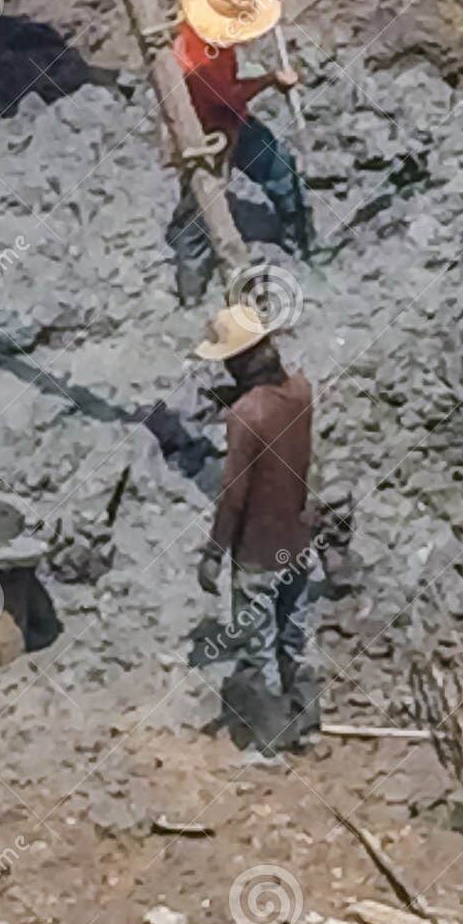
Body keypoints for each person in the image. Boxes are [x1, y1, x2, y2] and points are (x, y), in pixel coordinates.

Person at [194, 303, 319, 757]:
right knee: (294, 635)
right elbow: (274, 411)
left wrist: (214, 552)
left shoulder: (244, 418)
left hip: (258, 552)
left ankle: (270, 743)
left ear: (238, 362)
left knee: (258, 645)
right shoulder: (302, 391)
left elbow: (233, 495)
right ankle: (305, 722)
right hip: (298, 542)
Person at [169, 0, 311, 303]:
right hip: (206, 128)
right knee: (201, 206)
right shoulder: (203, 61)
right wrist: (271, 80)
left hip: (227, 113)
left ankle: (302, 242)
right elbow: (229, 97)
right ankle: (191, 293)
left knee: (279, 167)